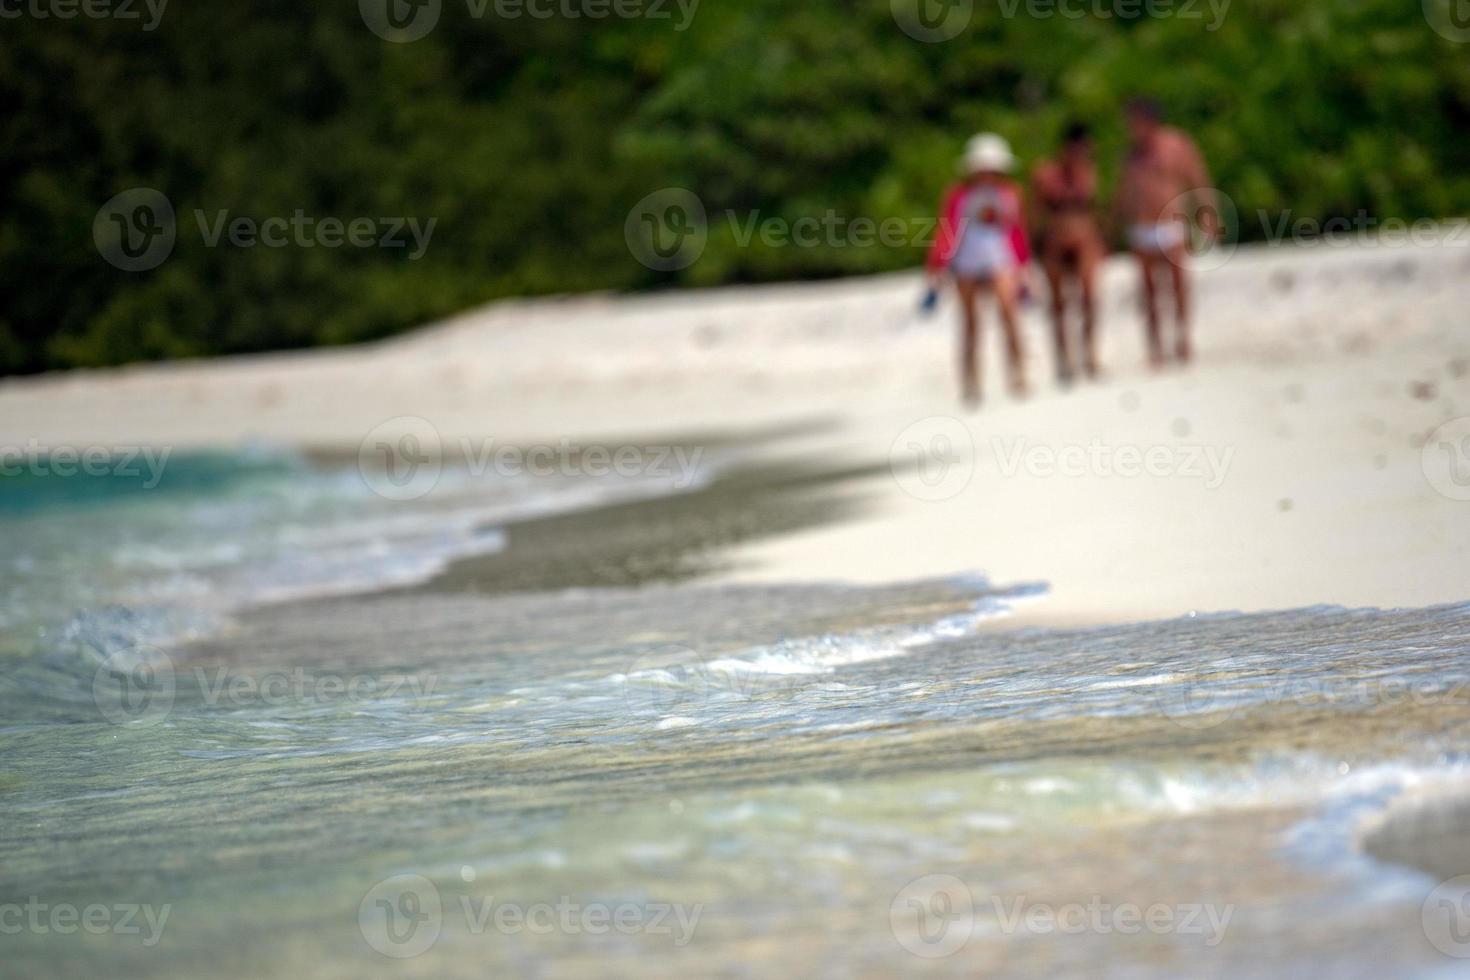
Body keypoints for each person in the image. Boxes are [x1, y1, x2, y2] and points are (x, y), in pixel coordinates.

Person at [926, 133, 1030, 408]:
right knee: (970, 323)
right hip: (967, 260)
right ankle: (970, 380)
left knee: (1009, 313)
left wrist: (1023, 266)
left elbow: (1016, 232)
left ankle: (1017, 372)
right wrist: (937, 264)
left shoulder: (1009, 194)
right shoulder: (958, 196)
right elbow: (947, 229)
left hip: (1000, 258)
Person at [1115, 98, 1218, 367]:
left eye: (1134, 121)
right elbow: (1124, 193)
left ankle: (1182, 338)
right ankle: (1155, 346)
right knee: (1148, 290)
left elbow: (1198, 179)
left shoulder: (1176, 145)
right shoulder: (1131, 155)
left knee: (1178, 285)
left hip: (1171, 222)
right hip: (1142, 227)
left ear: (1149, 120)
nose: (1130, 127)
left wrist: (1207, 214)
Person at [1032, 122, 1107, 384]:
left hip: (1085, 239)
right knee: (1058, 304)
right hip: (1055, 241)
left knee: (1089, 299)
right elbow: (1036, 212)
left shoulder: (1089, 173)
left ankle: (1089, 354)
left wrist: (1102, 240)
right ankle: (1064, 358)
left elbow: (1094, 209)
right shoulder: (1046, 173)